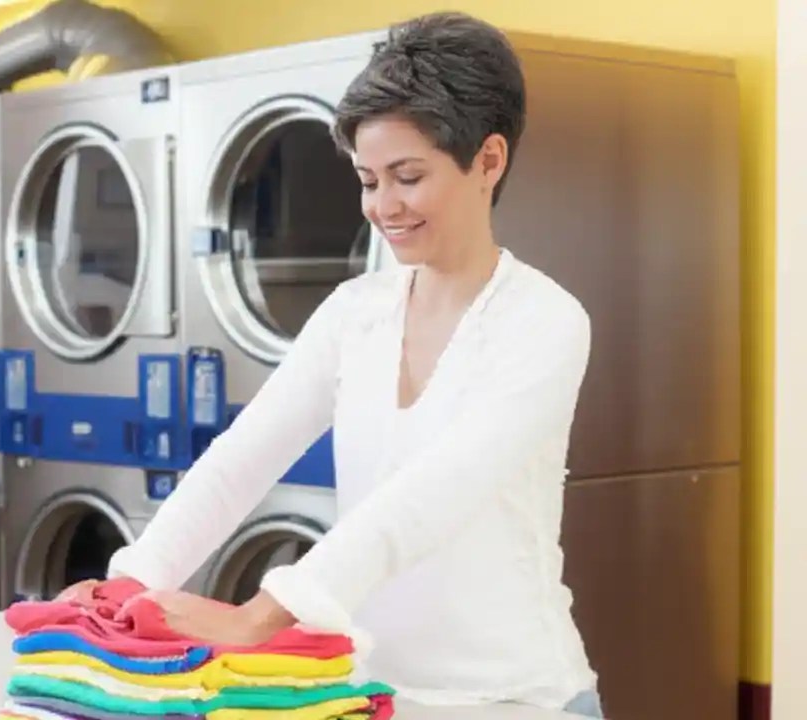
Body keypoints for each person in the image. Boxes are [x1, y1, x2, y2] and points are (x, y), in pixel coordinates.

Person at [57, 11, 603, 718]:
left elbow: (432, 495)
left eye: (408, 176)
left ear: (488, 161)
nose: (383, 206)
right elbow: (243, 457)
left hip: (518, 699)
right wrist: (133, 579)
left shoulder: (544, 323)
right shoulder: (357, 313)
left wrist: (260, 616)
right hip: (374, 694)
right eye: (368, 180)